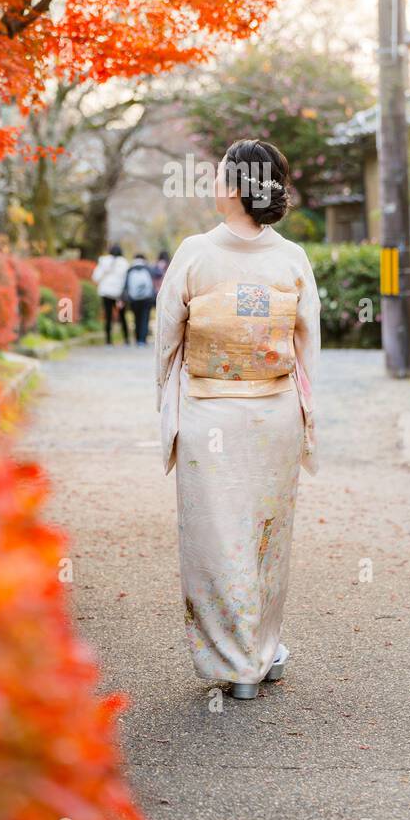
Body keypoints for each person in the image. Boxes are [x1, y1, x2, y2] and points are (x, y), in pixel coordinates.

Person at [155, 139, 320, 700]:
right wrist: (306, 415)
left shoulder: (194, 253)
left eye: (221, 176)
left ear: (238, 187)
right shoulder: (291, 258)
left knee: (214, 537)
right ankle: (260, 651)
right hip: (273, 413)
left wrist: (168, 409)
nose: (213, 184)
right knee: (264, 538)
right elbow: (306, 346)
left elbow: (166, 343)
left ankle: (233, 661)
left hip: (209, 413)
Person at [92, 244, 130, 345]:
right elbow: (126, 280)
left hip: (106, 293)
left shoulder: (104, 261)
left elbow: (95, 277)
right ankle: (126, 339)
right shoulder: (124, 263)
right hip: (119, 294)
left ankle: (108, 341)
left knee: (108, 317)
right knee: (122, 316)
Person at [123, 252, 157, 347]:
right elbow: (153, 284)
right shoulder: (148, 269)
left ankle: (137, 338)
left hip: (134, 299)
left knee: (136, 318)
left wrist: (126, 297)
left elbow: (126, 285)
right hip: (147, 298)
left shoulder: (130, 269)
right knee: (145, 318)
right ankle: (143, 339)